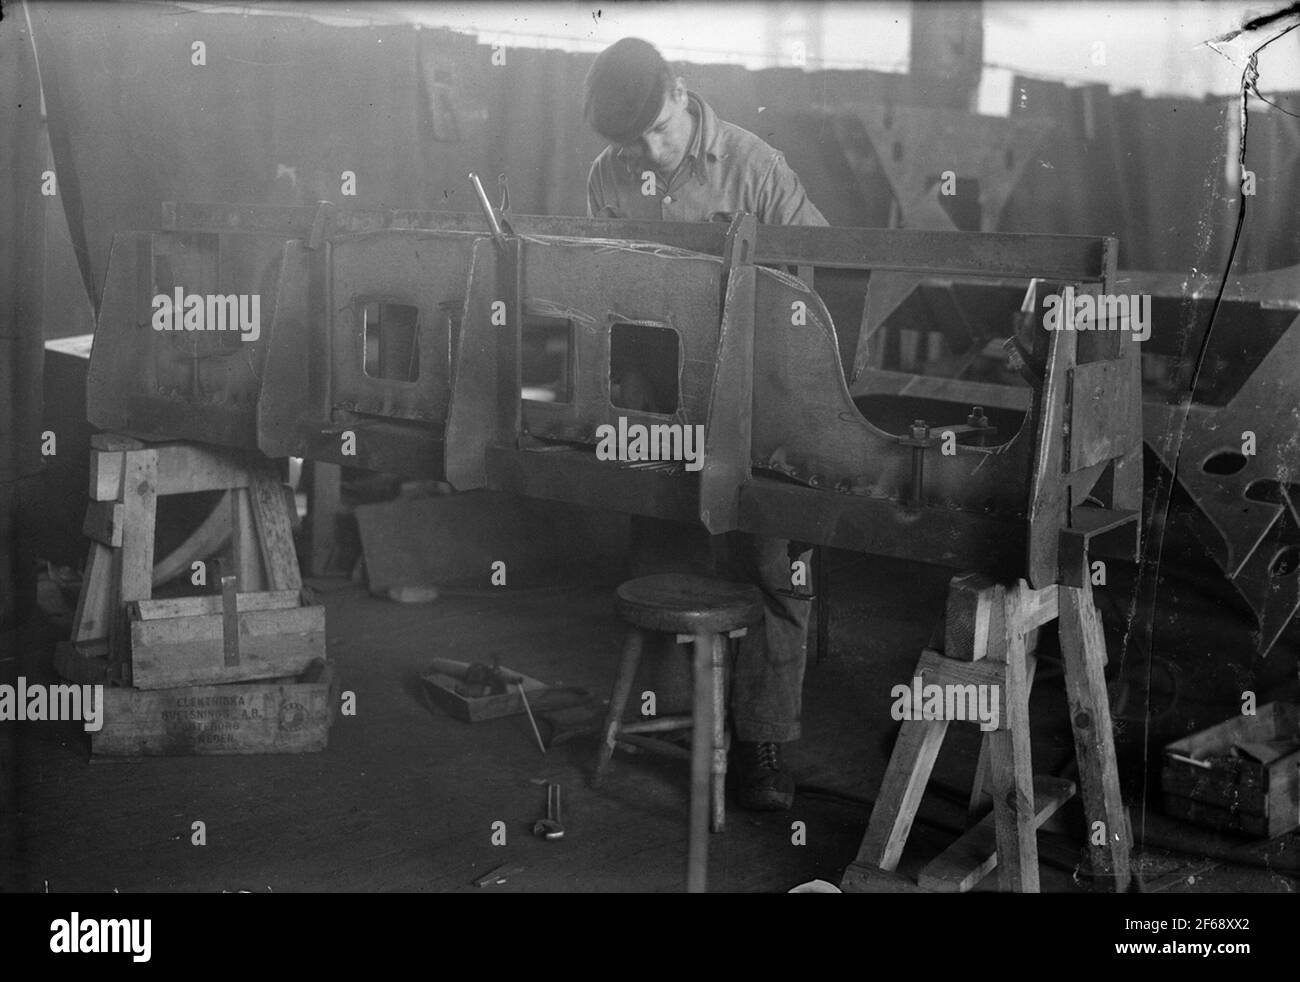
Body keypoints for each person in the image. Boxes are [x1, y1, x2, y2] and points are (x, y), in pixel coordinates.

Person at [583, 37, 828, 811]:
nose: (649, 152)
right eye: (632, 143)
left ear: (683, 91)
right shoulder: (607, 176)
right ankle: (671, 719)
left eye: (659, 129)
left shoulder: (756, 168)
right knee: (662, 544)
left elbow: (820, 282)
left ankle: (761, 743)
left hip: (762, 395)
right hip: (660, 395)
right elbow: (601, 289)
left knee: (772, 563)